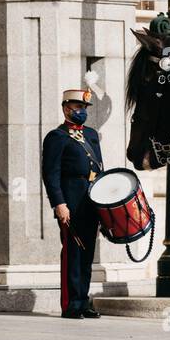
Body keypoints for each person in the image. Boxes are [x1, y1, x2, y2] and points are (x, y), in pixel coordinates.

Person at [41, 88, 104, 318]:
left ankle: (83, 301)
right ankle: (71, 305)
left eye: (84, 108)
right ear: (66, 108)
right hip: (71, 201)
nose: (82, 111)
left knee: (87, 253)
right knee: (73, 252)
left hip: (91, 200)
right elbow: (51, 173)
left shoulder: (91, 135)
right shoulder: (56, 137)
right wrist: (59, 203)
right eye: (78, 107)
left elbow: (99, 169)